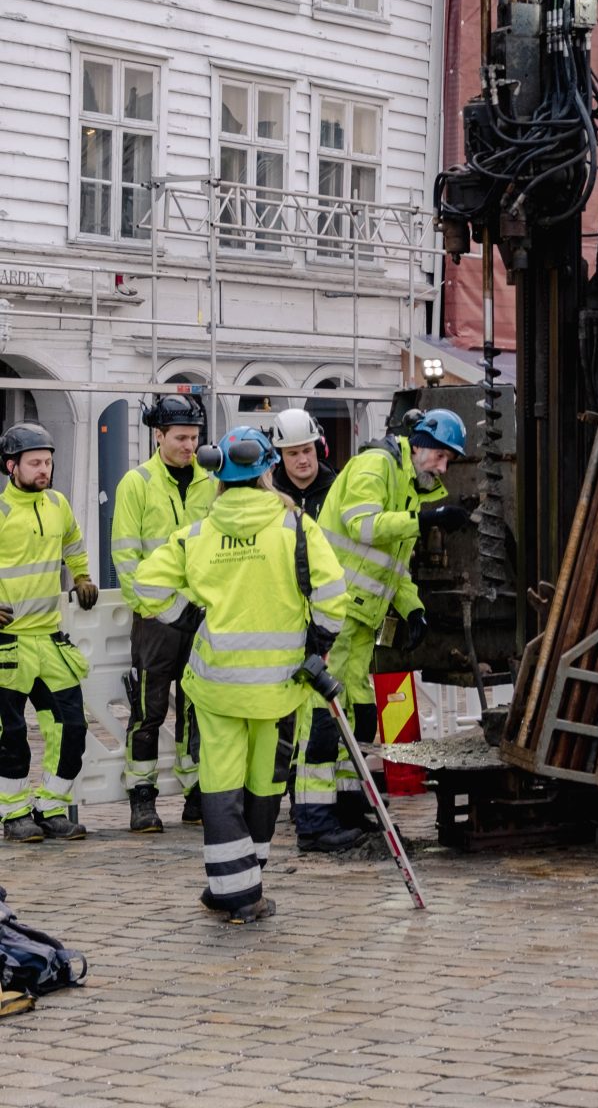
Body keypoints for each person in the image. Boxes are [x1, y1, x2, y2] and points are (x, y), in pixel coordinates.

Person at [125, 427, 350, 924]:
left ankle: (231, 889)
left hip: (218, 688)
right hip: (279, 689)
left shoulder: (197, 535)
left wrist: (191, 618)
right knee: (264, 786)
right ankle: (245, 890)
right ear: (268, 471)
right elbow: (334, 601)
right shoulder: (296, 528)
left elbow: (145, 586)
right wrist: (319, 645)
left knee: (221, 786)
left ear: (217, 478)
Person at [295, 408, 468, 851]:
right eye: (443, 457)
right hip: (334, 613)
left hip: (357, 618)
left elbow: (393, 567)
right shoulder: (376, 465)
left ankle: (350, 808)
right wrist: (427, 520)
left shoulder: (406, 484)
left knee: (360, 714)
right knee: (323, 716)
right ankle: (314, 819)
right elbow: (364, 525)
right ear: (423, 444)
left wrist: (413, 610)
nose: (444, 468)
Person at [112, 393, 213, 833]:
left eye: (194, 437)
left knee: (197, 708)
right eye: (181, 438)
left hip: (201, 615)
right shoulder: (137, 483)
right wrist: (166, 609)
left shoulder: (211, 482)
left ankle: (195, 795)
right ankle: (142, 798)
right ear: (159, 436)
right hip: (156, 619)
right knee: (148, 711)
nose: (190, 446)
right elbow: (126, 559)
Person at [0, 423, 97, 843]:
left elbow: (73, 543)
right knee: (11, 735)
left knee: (71, 727)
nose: (45, 469)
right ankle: (14, 813)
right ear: (11, 466)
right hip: (10, 643)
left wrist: (81, 576)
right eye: (35, 463)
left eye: (48, 461)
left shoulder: (58, 503)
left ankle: (51, 807)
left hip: (50, 638)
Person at [270, 408, 337, 520]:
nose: (303, 460)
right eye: (293, 453)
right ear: (279, 456)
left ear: (319, 449)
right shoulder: (268, 494)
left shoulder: (338, 490)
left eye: (307, 451)